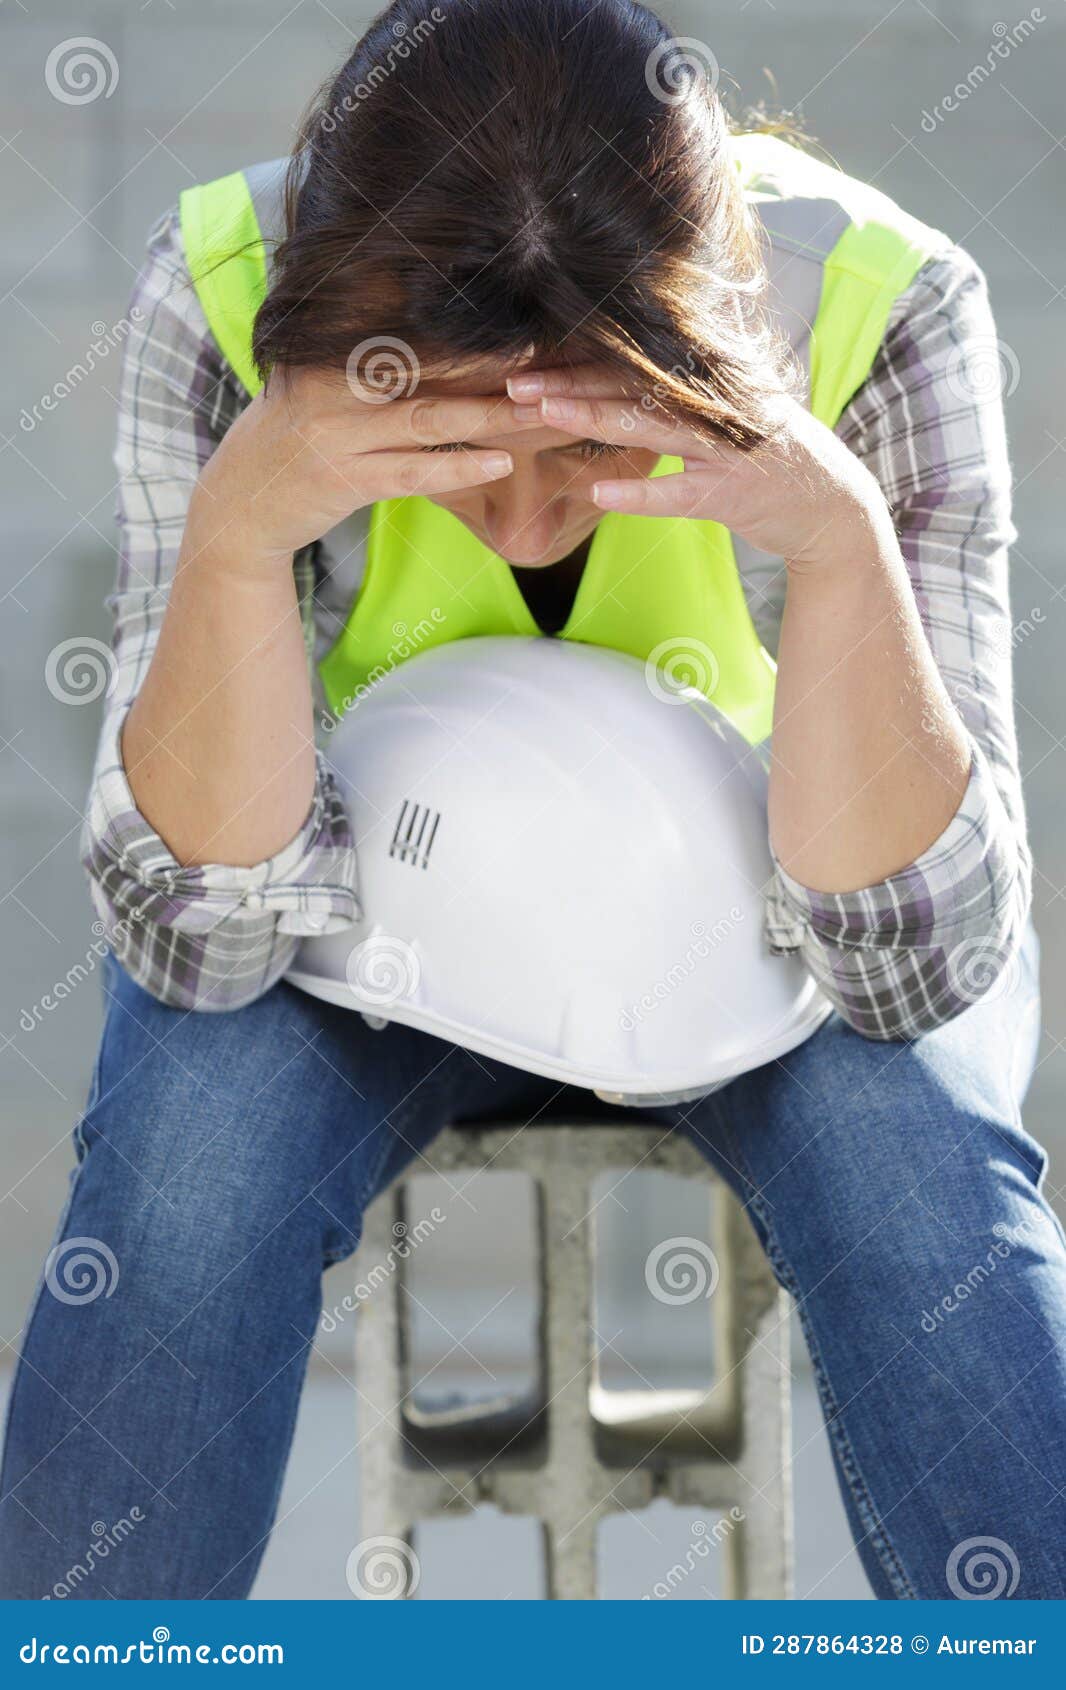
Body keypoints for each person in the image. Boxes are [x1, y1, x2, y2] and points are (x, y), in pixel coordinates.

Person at [1, 0, 1062, 1601]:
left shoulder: (876, 305)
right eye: (447, 435)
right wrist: (238, 534)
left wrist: (833, 538)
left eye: (582, 444)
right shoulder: (226, 292)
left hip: (772, 937)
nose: (519, 508)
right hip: (360, 926)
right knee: (183, 1170)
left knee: (926, 1186)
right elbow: (193, 945)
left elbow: (916, 963)